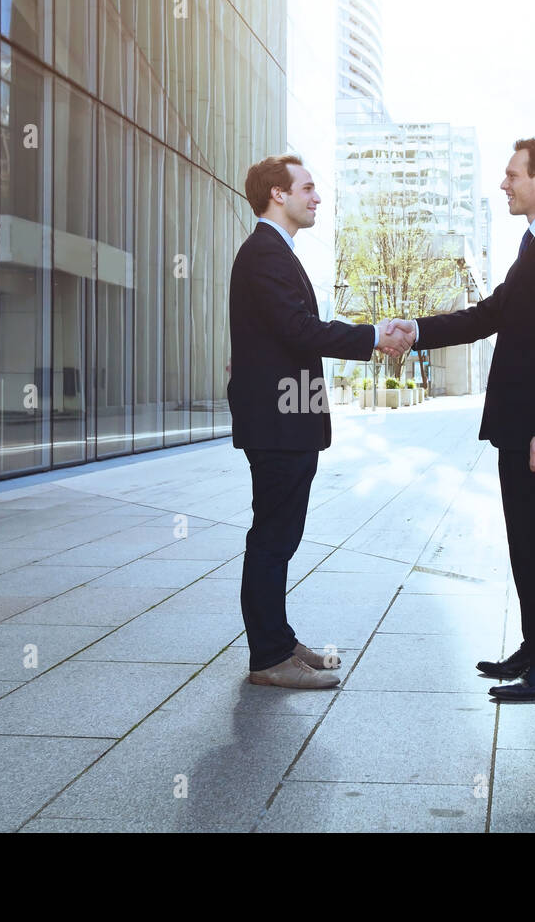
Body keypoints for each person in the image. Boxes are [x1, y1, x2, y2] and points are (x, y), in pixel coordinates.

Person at [386, 136, 535, 701]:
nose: (504, 184)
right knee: (525, 542)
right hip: (518, 427)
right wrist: (419, 329)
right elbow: (491, 315)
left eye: (512, 175)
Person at [228, 154, 412, 689]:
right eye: (307, 188)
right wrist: (374, 336)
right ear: (276, 195)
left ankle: (279, 641)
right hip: (277, 423)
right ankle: (267, 657)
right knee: (271, 538)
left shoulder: (276, 251)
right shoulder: (264, 252)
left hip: (290, 418)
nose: (316, 198)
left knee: (280, 536)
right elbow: (299, 330)